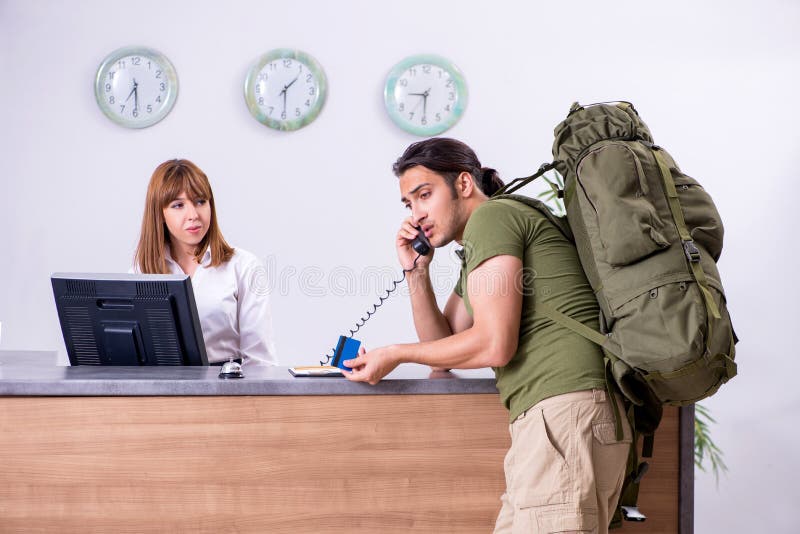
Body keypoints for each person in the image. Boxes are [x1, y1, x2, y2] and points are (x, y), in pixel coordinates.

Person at [343, 138, 631, 533]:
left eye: (424, 195)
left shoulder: (491, 220)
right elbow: (442, 343)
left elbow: (494, 344)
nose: (418, 213)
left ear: (463, 184)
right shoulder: (491, 231)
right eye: (409, 204)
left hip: (563, 416)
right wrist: (416, 271)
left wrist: (395, 353)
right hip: (559, 419)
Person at [133, 158, 277, 367]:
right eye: (178, 205)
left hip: (227, 388)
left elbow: (260, 361)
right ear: (160, 214)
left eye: (200, 201)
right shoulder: (141, 270)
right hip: (162, 389)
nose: (193, 215)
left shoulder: (243, 266)